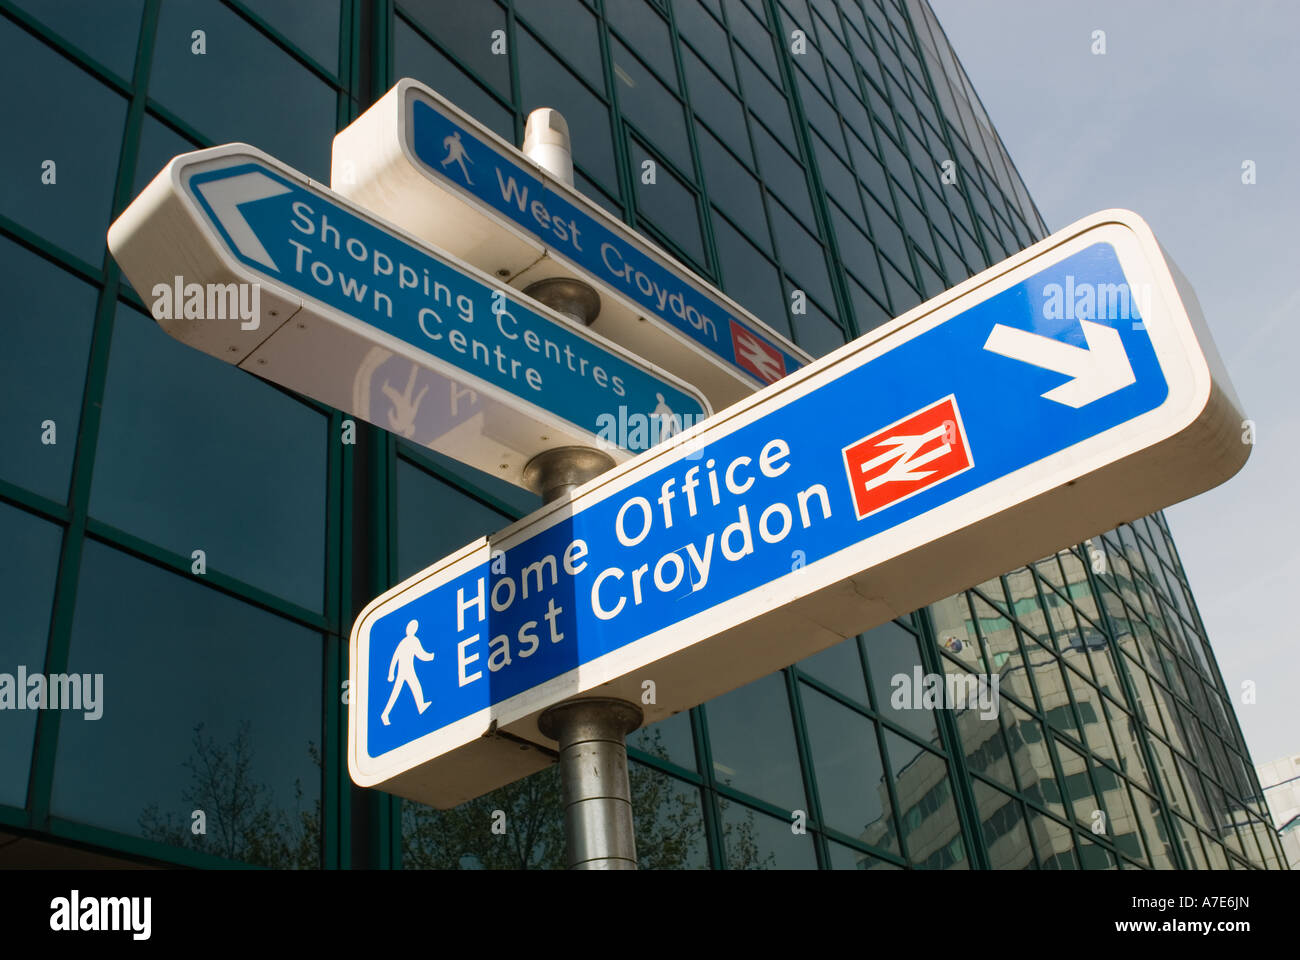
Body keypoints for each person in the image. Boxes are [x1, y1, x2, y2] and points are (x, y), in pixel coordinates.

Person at [380, 619, 436, 726]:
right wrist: (433, 656)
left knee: (412, 688)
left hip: (406, 670)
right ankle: (385, 714)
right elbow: (420, 654)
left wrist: (391, 673)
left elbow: (395, 658)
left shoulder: (406, 641)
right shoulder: (412, 641)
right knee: (397, 692)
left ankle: (420, 706)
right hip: (406, 670)